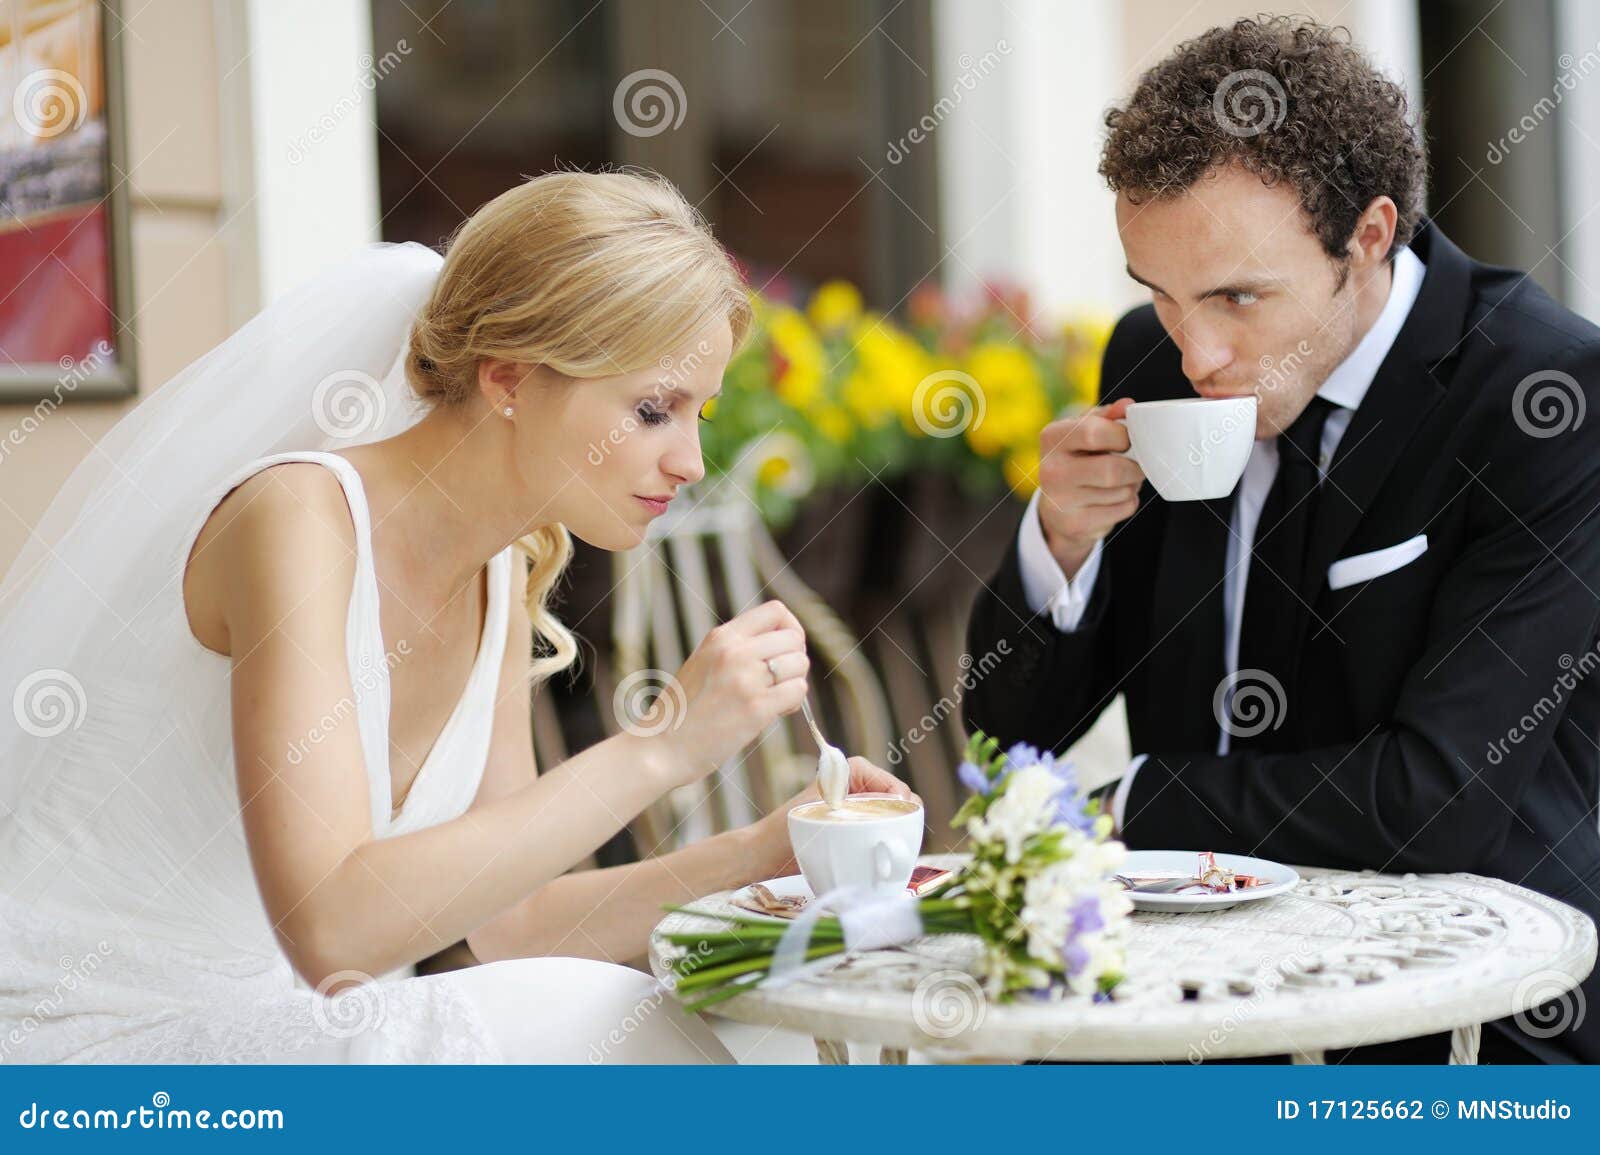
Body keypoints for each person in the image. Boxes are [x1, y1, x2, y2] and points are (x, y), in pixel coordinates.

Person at [0, 169, 912, 1063]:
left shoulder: (501, 574)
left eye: (699, 414)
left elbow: (507, 927)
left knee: (762, 1019)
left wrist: (761, 854)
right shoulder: (297, 521)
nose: (692, 461)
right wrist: (663, 744)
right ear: (509, 379)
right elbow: (332, 933)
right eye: (652, 410)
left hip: (280, 1040)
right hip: (97, 1050)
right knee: (590, 1014)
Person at [964, 16, 1600, 1063]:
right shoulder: (1151, 359)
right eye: (1159, 295)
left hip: (1463, 1026)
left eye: (1237, 298)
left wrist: (1131, 807)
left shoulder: (1546, 398)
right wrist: (1061, 546)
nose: (1197, 351)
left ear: (1368, 235)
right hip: (1169, 1000)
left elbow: (1438, 797)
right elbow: (1007, 722)